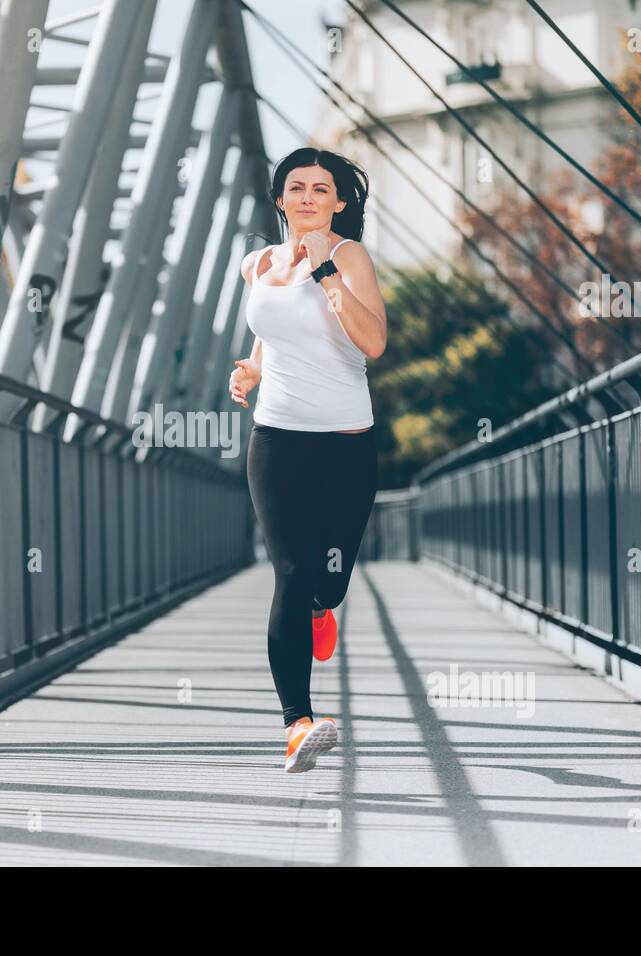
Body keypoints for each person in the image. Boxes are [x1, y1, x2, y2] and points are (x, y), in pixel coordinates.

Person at [229, 147, 386, 774]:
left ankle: (324, 606)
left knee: (328, 581)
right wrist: (253, 368)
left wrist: (326, 274)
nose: (308, 198)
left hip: (346, 444)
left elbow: (373, 340)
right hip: (277, 440)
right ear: (280, 198)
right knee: (290, 574)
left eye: (322, 189)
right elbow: (273, 329)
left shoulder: (348, 257)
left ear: (340, 201)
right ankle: (297, 721)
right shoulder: (257, 263)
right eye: (297, 187)